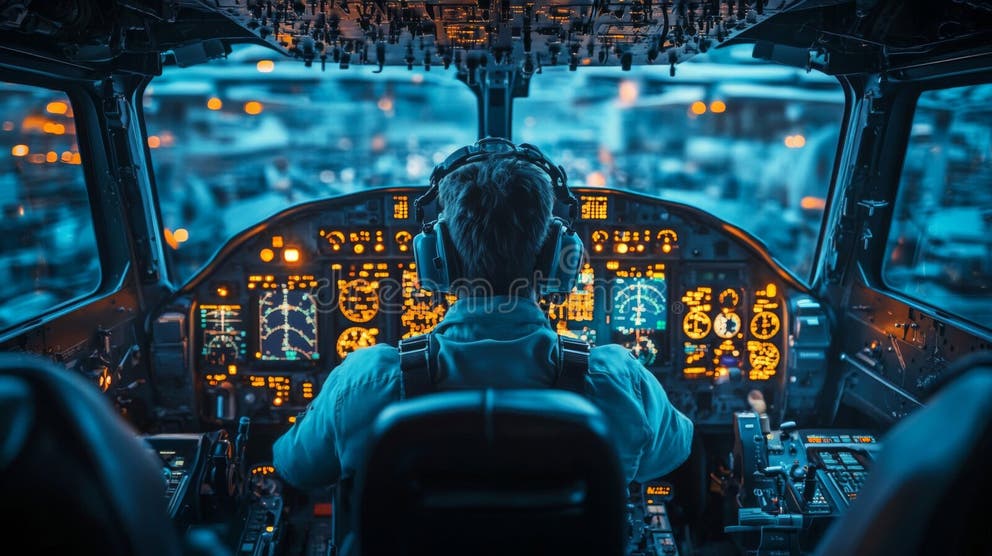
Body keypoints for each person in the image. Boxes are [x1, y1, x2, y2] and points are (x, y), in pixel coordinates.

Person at [272, 139, 694, 491]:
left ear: (438, 260)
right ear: (555, 260)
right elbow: (674, 452)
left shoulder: (368, 380)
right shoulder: (615, 379)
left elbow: (295, 467)